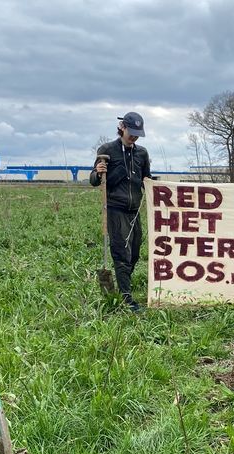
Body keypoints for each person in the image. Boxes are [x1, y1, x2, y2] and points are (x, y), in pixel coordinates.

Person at [90, 111, 153, 311]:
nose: (134, 136)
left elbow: (147, 180)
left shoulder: (142, 154)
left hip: (134, 210)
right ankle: (127, 298)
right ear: (122, 128)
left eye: (137, 133)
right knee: (121, 253)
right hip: (115, 209)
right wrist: (98, 173)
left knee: (134, 253)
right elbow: (93, 181)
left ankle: (123, 282)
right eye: (131, 131)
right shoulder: (107, 150)